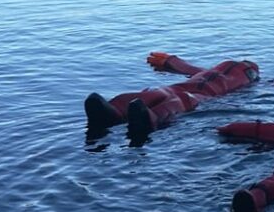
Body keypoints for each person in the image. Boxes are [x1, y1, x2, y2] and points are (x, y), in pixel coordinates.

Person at [85, 52, 259, 144]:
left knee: (177, 100)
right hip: (175, 89)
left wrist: (171, 61)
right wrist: (170, 60)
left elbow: (188, 68)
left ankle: (146, 118)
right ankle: (112, 111)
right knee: (150, 95)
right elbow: (188, 68)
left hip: (197, 96)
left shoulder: (244, 84)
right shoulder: (206, 72)